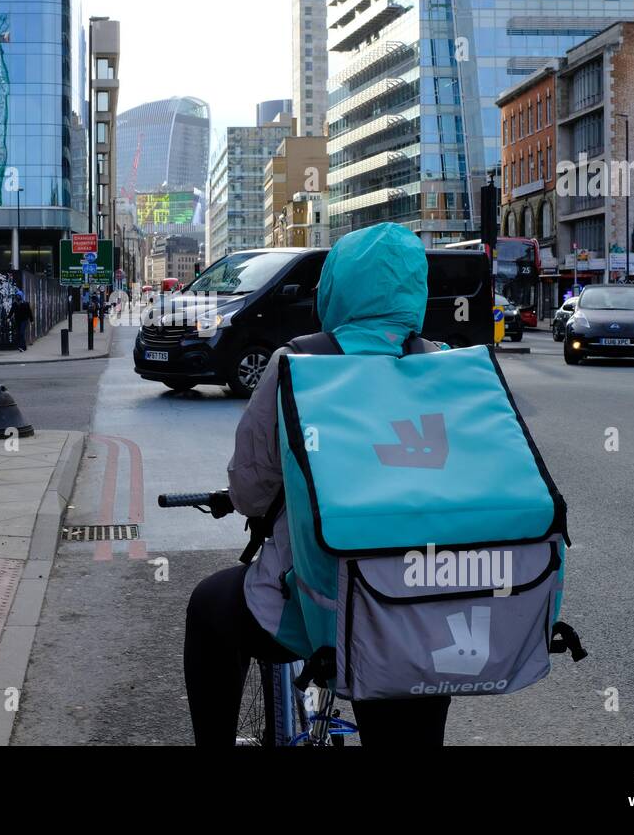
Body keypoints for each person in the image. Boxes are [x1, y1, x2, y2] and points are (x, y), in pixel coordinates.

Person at [184, 223, 452, 747]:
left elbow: (252, 489)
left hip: (320, 606)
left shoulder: (299, 364)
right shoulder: (445, 363)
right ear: (416, 290)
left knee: (210, 607)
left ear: (334, 288)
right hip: (434, 600)